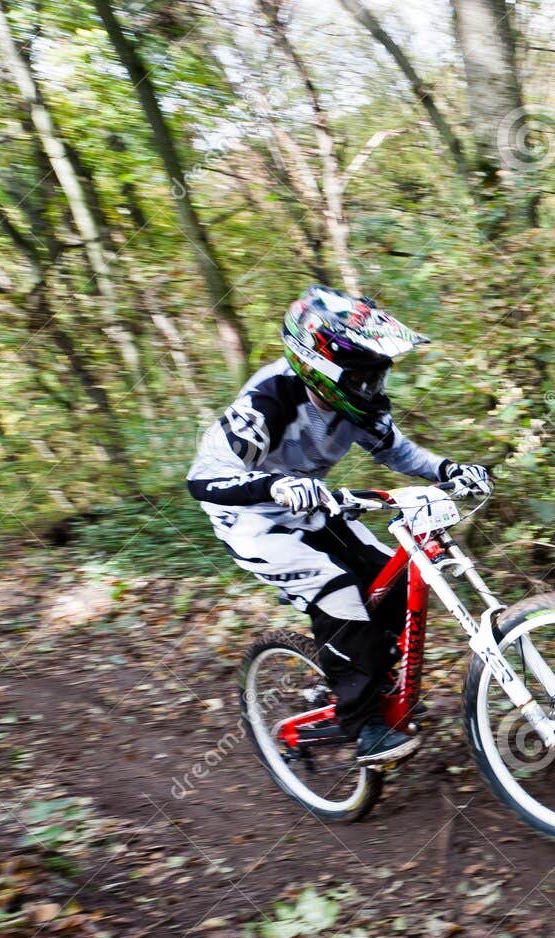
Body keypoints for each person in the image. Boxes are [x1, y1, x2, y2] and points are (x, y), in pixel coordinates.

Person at [187, 285, 491, 763]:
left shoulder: (356, 403)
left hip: (312, 502)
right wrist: (271, 487)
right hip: (249, 517)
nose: (373, 386)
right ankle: (363, 723)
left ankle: (372, 682)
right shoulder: (269, 403)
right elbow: (202, 480)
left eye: (378, 375)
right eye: (364, 375)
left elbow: (395, 449)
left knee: (395, 577)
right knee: (336, 590)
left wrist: (448, 469)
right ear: (321, 366)